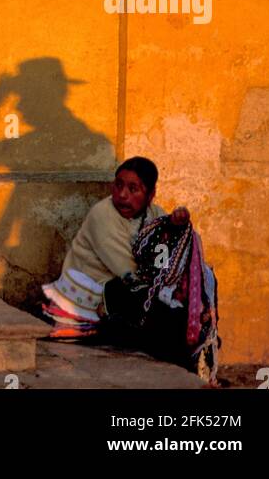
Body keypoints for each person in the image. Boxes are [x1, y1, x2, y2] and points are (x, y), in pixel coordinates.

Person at [42, 156, 219, 378]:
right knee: (152, 305)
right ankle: (183, 368)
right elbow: (130, 274)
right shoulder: (103, 214)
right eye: (118, 185)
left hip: (136, 289)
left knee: (202, 285)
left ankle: (198, 361)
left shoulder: (156, 214)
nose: (122, 194)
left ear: (150, 195)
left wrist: (175, 231)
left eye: (133, 188)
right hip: (100, 292)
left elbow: (167, 260)